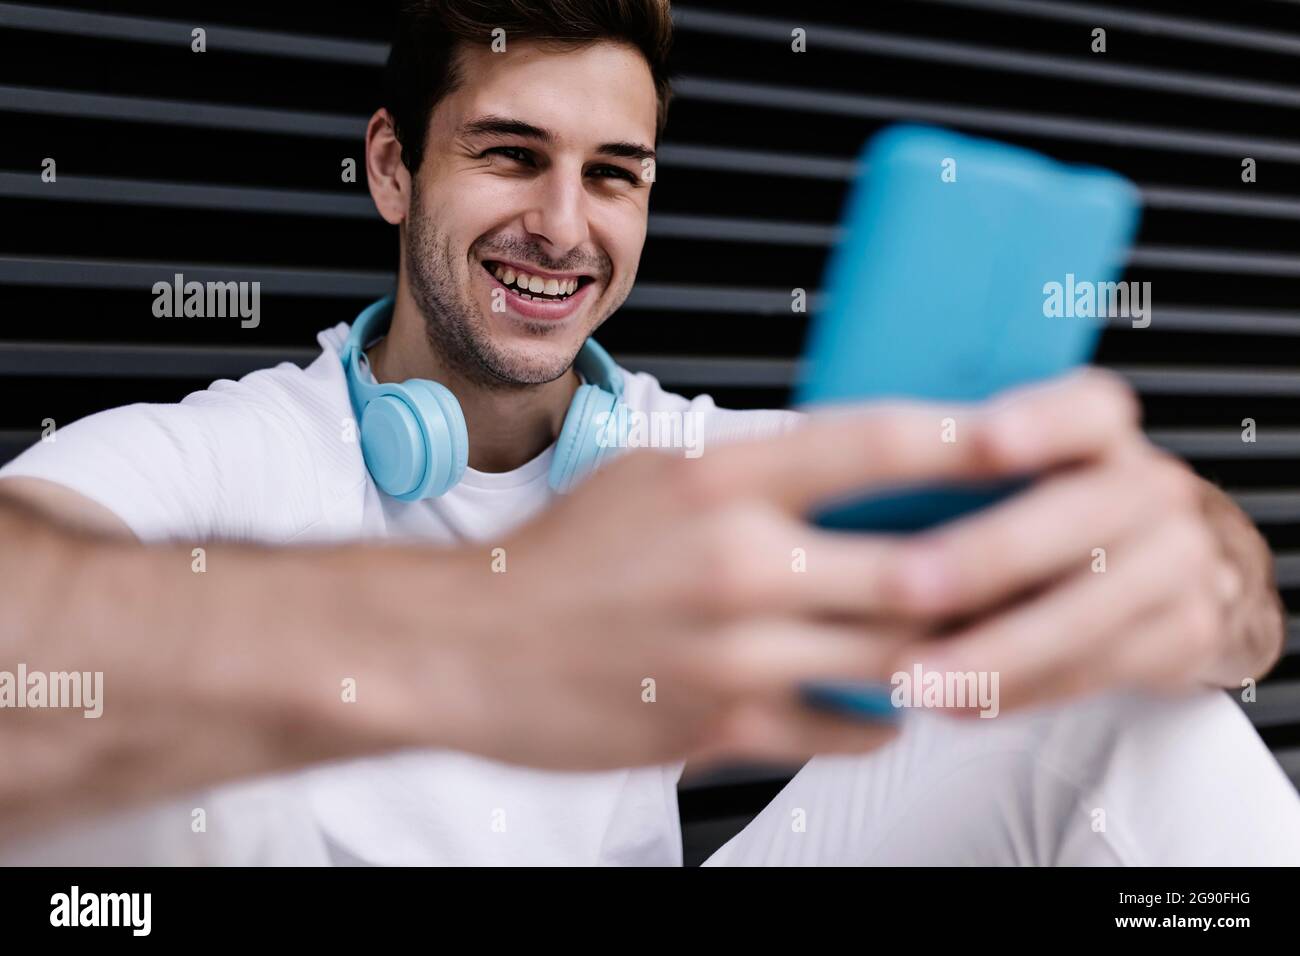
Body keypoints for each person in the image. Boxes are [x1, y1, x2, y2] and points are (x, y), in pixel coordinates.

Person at [0, 0, 1295, 865]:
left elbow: (1224, 612)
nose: (565, 226)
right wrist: (495, 633)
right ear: (393, 170)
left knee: (1143, 708)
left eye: (613, 173)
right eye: (511, 155)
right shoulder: (217, 454)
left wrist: (1191, 566)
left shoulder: (687, 467)